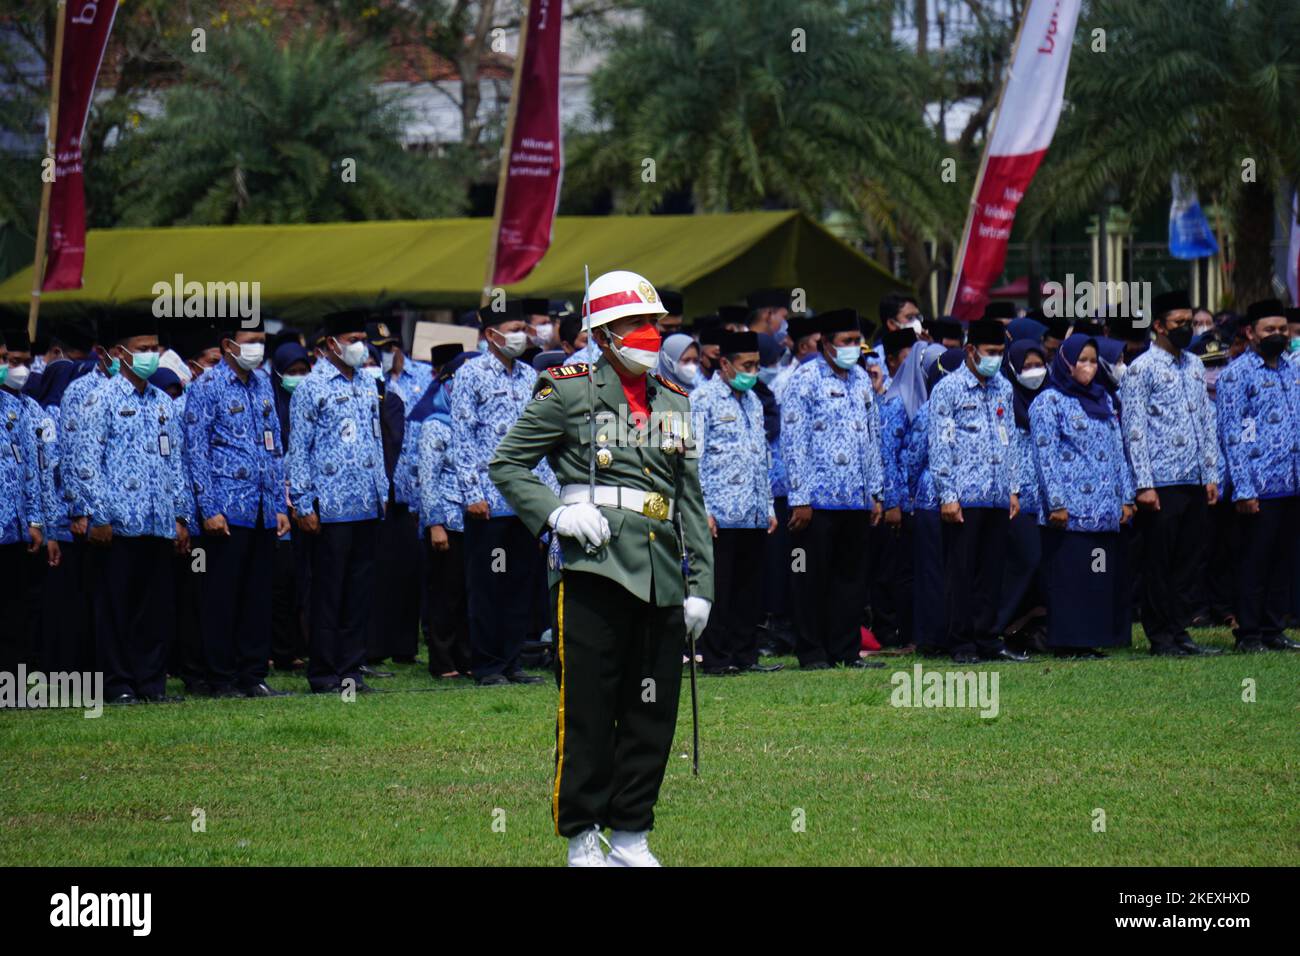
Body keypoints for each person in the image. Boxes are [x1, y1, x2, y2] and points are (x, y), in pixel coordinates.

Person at [488, 268, 714, 867]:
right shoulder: (567, 389)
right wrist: (555, 517)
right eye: (637, 325)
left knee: (651, 711)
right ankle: (583, 836)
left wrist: (701, 588)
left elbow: (689, 501)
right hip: (593, 568)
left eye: (654, 324)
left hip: (661, 572)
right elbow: (508, 465)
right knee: (588, 709)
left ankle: (633, 834)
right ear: (605, 332)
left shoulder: (674, 399)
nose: (650, 334)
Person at [71, 315, 192, 704]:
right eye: (142, 349)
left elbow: (176, 462)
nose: (151, 356)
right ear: (121, 354)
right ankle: (119, 683)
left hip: (157, 522)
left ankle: (151, 682)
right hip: (118, 524)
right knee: (115, 607)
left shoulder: (163, 403)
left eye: (154, 349)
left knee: (154, 609)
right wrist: (99, 515)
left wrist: (180, 515)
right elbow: (87, 462)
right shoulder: (100, 400)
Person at [183, 318, 290, 697]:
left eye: (262, 341)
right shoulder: (206, 386)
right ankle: (220, 676)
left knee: (257, 596)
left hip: (261, 508)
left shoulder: (262, 383)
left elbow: (273, 447)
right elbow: (195, 450)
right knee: (221, 596)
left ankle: (253, 674)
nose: (257, 349)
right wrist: (208, 508)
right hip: (226, 509)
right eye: (250, 341)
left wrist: (279, 503)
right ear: (228, 345)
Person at [286, 309, 389, 693]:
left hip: (365, 502)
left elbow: (377, 440)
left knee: (358, 592)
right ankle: (324, 671)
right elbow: (298, 448)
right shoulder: (312, 387)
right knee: (328, 591)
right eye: (352, 339)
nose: (360, 347)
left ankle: (351, 668)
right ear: (331, 345)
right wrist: (303, 502)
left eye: (362, 338)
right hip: (328, 507)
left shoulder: (367, 382)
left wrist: (382, 488)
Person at [452, 298, 553, 686]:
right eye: (512, 329)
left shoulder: (531, 378)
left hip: (525, 503)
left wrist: (546, 498)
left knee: (519, 584)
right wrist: (471, 492)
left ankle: (512, 661)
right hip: (489, 502)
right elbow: (462, 437)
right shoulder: (471, 375)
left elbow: (542, 439)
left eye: (522, 328)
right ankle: (488, 664)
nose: (520, 335)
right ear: (491, 334)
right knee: (490, 582)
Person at [780, 308, 885, 670]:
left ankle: (846, 650)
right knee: (810, 578)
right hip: (817, 501)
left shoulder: (859, 379)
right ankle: (812, 652)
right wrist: (800, 498)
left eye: (857, 342)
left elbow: (872, 438)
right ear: (826, 344)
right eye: (846, 342)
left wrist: (875, 492)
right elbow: (793, 442)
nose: (853, 348)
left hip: (855, 498)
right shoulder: (804, 379)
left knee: (851, 581)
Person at [1118, 290, 1221, 656]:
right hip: (1160, 482)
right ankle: (1160, 636)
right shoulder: (1141, 369)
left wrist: (1211, 473)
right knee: (1158, 563)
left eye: (1189, 323)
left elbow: (1206, 422)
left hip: (1193, 477)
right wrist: (1143, 484)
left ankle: (1180, 631)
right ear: (1159, 326)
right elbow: (1134, 430)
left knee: (1189, 561)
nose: (1186, 329)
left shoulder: (1195, 365)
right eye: (1178, 324)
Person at [928, 316, 1027, 663]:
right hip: (963, 496)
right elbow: (941, 445)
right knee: (961, 572)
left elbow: (1010, 439)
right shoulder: (948, 389)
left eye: (1001, 352)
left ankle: (987, 638)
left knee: (992, 572)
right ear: (970, 350)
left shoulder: (1003, 386)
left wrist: (1013, 488)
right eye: (990, 352)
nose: (996, 359)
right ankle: (962, 642)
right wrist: (948, 495)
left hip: (997, 494)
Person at [1030, 336, 1136, 657]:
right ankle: (1069, 641)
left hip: (1104, 513)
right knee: (1070, 578)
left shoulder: (1103, 399)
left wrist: (1126, 497)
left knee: (1097, 572)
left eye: (1092, 360)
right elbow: (1045, 457)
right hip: (1070, 515)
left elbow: (1118, 450)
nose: (1087, 367)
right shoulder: (1048, 402)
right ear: (1065, 362)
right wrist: (1057, 503)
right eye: (1082, 360)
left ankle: (1092, 636)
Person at [691, 329, 779, 675]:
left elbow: (763, 458)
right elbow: (692, 460)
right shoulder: (703, 399)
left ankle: (745, 655)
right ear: (725, 363)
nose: (752, 372)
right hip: (719, 514)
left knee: (748, 590)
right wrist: (702, 510)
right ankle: (716, 657)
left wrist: (769, 506)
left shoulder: (754, 401)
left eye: (756, 365)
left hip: (753, 511)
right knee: (720, 589)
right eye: (746, 365)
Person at [1215, 299, 1300, 652]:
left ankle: (1273, 627)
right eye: (1270, 330)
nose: (1277, 335)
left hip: (1292, 484)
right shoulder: (1237, 374)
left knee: (1285, 560)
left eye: (1282, 329)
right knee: (1254, 561)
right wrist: (1244, 489)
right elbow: (1231, 434)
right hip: (1257, 486)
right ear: (1250, 333)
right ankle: (1248, 632)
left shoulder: (1293, 370)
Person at [878, 340, 947, 651]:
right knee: (903, 570)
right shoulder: (897, 402)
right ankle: (904, 633)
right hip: (905, 501)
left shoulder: (938, 400)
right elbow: (889, 455)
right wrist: (893, 501)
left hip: (923, 502)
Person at [903, 347, 964, 656]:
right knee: (944, 571)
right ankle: (938, 636)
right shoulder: (936, 409)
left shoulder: (929, 408)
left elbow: (912, 458)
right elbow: (914, 457)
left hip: (933, 500)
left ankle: (937, 636)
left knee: (936, 572)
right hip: (945, 499)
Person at [416, 351, 473, 679]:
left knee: (467, 593)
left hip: (473, 519)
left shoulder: (470, 423)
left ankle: (465, 658)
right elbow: (428, 477)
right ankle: (442, 661)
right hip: (447, 521)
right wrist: (434, 523)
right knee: (445, 595)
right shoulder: (435, 425)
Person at [994, 339, 1050, 651]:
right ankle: (997, 626)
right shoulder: (1003, 401)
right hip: (1013, 500)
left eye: (1038, 364)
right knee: (1025, 560)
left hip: (1045, 502)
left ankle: (1030, 629)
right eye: (1026, 366)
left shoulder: (1051, 399)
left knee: (1040, 567)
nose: (1034, 372)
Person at [0, 330, 44, 676]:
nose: (5, 366)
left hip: (11, 529)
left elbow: (29, 469)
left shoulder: (14, 410)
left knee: (14, 610)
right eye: (2, 359)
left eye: (6, 359)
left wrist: (34, 520)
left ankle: (11, 682)